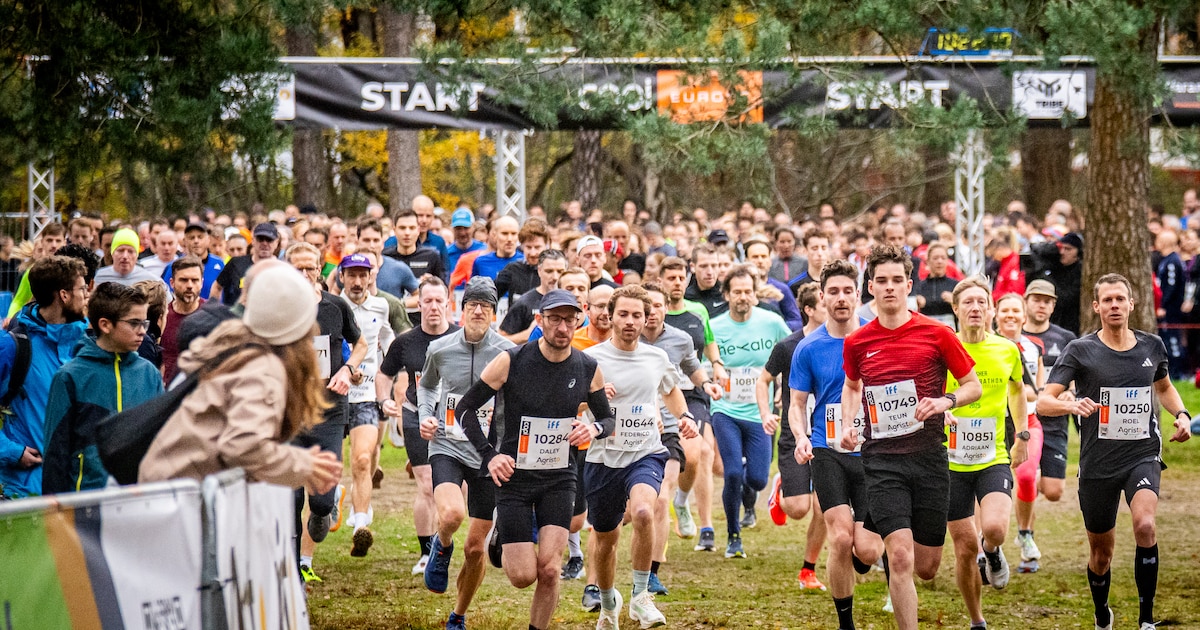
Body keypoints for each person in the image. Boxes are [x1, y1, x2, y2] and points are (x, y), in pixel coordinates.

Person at [451, 289, 614, 630]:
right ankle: (502, 534)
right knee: (523, 577)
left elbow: (608, 419)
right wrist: (490, 456)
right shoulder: (512, 361)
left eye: (569, 320)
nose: (562, 328)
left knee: (550, 569)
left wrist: (593, 428)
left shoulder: (587, 368)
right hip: (514, 478)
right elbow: (465, 408)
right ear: (540, 321)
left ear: (578, 320)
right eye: (554, 319)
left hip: (559, 477)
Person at [1036, 273, 1192, 630]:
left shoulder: (1152, 346)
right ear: (1096, 307)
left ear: (1132, 303)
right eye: (1107, 300)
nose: (1114, 305)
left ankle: (1146, 620)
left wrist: (1181, 414)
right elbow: (1045, 402)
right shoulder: (1081, 350)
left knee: (1145, 525)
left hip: (1142, 455)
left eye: (1120, 299)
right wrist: (1070, 406)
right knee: (1101, 555)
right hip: (1098, 463)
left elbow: (1165, 387)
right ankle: (1102, 611)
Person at [839, 244, 981, 630]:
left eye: (896, 281)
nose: (889, 288)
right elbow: (852, 387)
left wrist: (944, 401)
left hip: (929, 457)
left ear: (909, 285)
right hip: (882, 459)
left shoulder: (937, 333)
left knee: (927, 566)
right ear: (870, 287)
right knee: (899, 556)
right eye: (881, 281)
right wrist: (849, 424)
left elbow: (973, 386)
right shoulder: (857, 341)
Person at [138, 265, 342, 494]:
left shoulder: (238, 347)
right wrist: (303, 465)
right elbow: (243, 444)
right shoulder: (260, 368)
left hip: (171, 488)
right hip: (177, 497)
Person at [583, 284, 698, 629]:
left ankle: (640, 596)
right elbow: (569, 404)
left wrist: (685, 417)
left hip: (645, 451)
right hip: (603, 458)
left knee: (646, 511)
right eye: (624, 314)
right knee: (606, 538)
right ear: (611, 316)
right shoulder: (592, 360)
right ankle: (607, 605)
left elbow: (671, 389)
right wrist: (594, 397)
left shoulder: (656, 357)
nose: (630, 321)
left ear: (647, 318)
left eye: (637, 315)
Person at [788, 259, 885, 630]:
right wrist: (800, 437)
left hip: (873, 453)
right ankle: (846, 624)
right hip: (827, 451)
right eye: (834, 292)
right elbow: (797, 404)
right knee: (840, 537)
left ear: (858, 294)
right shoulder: (808, 348)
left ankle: (864, 559)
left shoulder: (876, 338)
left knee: (868, 549)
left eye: (848, 291)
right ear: (822, 297)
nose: (841, 298)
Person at [415, 277, 513, 629]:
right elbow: (426, 386)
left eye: (485, 305)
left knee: (476, 549)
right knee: (453, 514)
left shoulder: (506, 353)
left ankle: (458, 615)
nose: (477, 310)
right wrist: (426, 416)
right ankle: (440, 547)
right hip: (447, 444)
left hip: (488, 453)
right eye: (472, 303)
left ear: (493, 313)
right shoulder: (440, 349)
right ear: (461, 307)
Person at [942, 277, 1028, 630]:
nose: (975, 308)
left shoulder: (1007, 350)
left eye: (982, 302)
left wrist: (1021, 434)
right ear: (956, 309)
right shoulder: (943, 349)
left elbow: (1019, 390)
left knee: (993, 529)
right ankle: (977, 620)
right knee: (964, 549)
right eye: (968, 303)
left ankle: (992, 552)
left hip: (992, 456)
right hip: (950, 462)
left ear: (991, 309)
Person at [285, 243, 367, 584]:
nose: (305, 275)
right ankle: (292, 574)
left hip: (329, 409)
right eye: (297, 268)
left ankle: (325, 508)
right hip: (290, 412)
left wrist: (348, 369)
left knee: (319, 501)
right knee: (289, 497)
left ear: (320, 269)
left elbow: (361, 343)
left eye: (310, 268)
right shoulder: (279, 308)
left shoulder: (335, 307)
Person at [639, 282, 722, 595]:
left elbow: (691, 366)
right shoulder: (624, 341)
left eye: (657, 306)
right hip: (631, 428)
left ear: (665, 309)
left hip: (670, 423)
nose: (651, 312)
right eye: (646, 306)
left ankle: (652, 571)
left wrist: (707, 383)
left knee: (662, 498)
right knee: (634, 510)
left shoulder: (679, 338)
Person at [42, 282, 164, 493]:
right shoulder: (69, 376)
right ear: (105, 325)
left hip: (139, 502)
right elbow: (55, 452)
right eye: (134, 323)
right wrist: (54, 516)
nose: (143, 331)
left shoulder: (149, 374)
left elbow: (161, 442)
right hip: (85, 505)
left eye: (144, 322)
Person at [709, 264, 792, 558]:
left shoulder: (771, 323)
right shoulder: (715, 326)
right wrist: (711, 382)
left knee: (757, 478)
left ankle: (750, 496)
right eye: (737, 292)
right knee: (732, 473)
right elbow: (703, 365)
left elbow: (792, 352)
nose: (743, 297)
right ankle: (734, 536)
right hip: (725, 410)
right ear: (727, 295)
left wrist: (784, 386)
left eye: (747, 292)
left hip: (761, 412)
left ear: (755, 295)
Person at [379, 276, 460, 575]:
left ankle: (444, 540)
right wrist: (383, 401)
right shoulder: (406, 341)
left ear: (448, 304)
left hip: (453, 417)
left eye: (440, 301)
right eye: (428, 301)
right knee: (427, 485)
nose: (434, 307)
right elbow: (384, 375)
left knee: (457, 488)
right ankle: (428, 552)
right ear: (419, 304)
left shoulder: (461, 338)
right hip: (415, 414)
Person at [758, 275, 829, 590]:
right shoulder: (788, 345)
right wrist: (765, 413)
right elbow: (763, 380)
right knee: (798, 508)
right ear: (811, 310)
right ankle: (781, 490)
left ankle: (808, 569)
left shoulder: (841, 341)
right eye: (826, 303)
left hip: (828, 435)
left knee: (824, 506)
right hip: (793, 434)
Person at [0, 256, 90, 498]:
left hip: (78, 491)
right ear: (64, 295)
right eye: (82, 288)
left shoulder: (91, 342)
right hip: (24, 490)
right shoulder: (12, 347)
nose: (87, 294)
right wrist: (9, 450)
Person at [658, 255, 723, 551]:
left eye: (681, 277)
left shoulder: (697, 311)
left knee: (694, 453)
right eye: (670, 278)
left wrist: (716, 366)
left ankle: (681, 503)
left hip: (692, 392)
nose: (677, 282)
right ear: (661, 281)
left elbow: (708, 341)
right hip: (655, 395)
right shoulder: (653, 313)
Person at [339, 253, 397, 557]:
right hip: (334, 395)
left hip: (365, 395)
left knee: (363, 458)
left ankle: (361, 523)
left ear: (371, 277)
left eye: (363, 275)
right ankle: (335, 502)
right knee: (333, 466)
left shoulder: (381, 306)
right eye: (352, 275)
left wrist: (390, 371)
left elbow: (389, 338)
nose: (358, 281)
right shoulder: (331, 306)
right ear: (342, 277)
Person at [1019, 279, 1076, 559]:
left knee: (1053, 491)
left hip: (1054, 421)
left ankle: (1027, 497)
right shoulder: (1013, 335)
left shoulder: (1065, 339)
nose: (1041, 305)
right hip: (1024, 421)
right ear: (1026, 301)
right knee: (1028, 477)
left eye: (1047, 301)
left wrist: (1070, 393)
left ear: (1053, 305)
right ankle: (1026, 537)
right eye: (1036, 299)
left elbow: (1076, 377)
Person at [995, 293, 1047, 572]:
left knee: (1027, 476)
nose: (1011, 315)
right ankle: (989, 547)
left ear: (1024, 317)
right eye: (1005, 310)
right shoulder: (987, 345)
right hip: (994, 424)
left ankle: (1025, 535)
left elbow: (1034, 390)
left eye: (1016, 310)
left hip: (1027, 421)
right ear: (996, 315)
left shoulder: (1034, 346)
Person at [500, 249, 566, 344]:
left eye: (560, 271)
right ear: (539, 271)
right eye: (549, 271)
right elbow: (500, 340)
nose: (555, 277)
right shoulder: (524, 302)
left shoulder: (573, 301)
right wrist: (527, 335)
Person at [160, 256, 206, 383]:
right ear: (172, 283)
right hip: (169, 391)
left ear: (202, 282)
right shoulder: (162, 316)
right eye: (184, 280)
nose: (190, 285)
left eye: (194, 280)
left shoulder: (212, 315)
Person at [211, 222, 279, 305]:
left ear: (276, 242)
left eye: (269, 240)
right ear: (253, 241)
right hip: (236, 315)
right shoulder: (236, 263)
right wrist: (214, 310)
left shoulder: (283, 269)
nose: (264, 243)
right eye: (260, 239)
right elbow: (217, 287)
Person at [162, 223, 225, 300]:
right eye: (191, 238)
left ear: (208, 240)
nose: (196, 241)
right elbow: (166, 297)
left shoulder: (219, 264)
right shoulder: (174, 266)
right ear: (184, 241)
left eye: (200, 237)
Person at [93, 229, 165, 286]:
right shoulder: (100, 276)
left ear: (137, 255)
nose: (125, 256)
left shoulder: (151, 280)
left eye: (130, 251)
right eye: (120, 250)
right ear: (113, 253)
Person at [912, 243, 957, 327]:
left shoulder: (955, 285)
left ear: (947, 260)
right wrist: (916, 302)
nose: (939, 261)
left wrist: (955, 301)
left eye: (943, 258)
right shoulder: (919, 286)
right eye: (935, 258)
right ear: (928, 261)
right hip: (926, 328)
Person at [446, 208, 485, 274]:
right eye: (458, 229)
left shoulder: (483, 251)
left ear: (473, 227)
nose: (462, 233)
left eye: (466, 228)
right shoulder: (447, 253)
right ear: (453, 229)